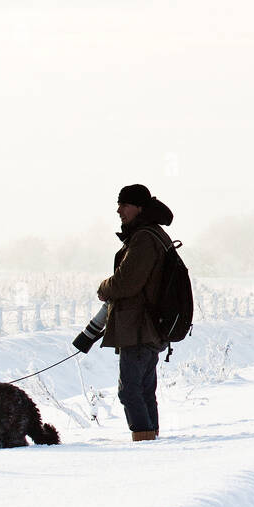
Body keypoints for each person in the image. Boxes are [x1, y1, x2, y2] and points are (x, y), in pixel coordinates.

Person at [72, 184, 175, 442]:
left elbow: (126, 283)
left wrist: (104, 287)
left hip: (140, 329)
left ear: (139, 207)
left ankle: (144, 441)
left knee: (130, 391)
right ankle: (150, 437)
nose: (119, 210)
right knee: (143, 389)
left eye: (124, 205)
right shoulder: (153, 235)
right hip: (147, 327)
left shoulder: (143, 238)